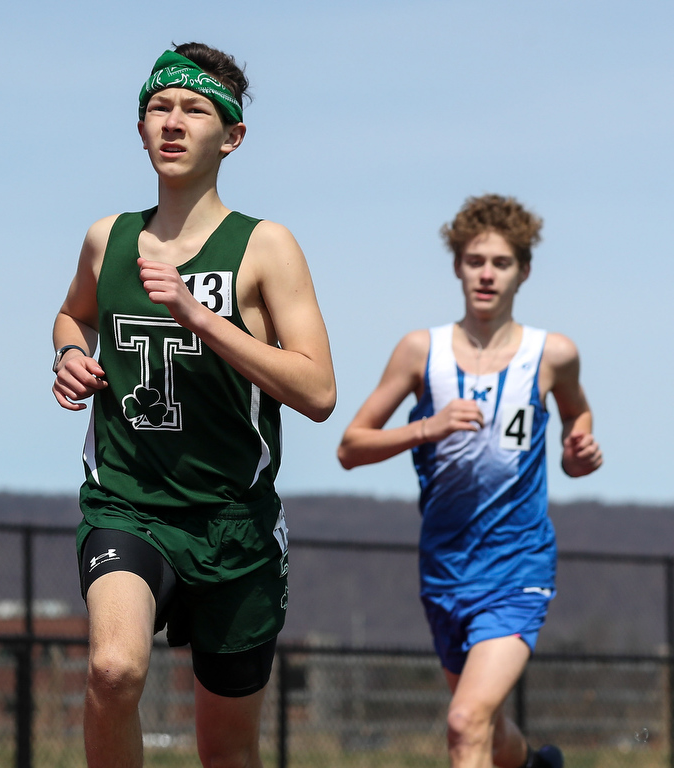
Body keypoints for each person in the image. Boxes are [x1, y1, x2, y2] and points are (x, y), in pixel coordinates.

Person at [51, 42, 335, 768]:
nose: (172, 123)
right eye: (158, 108)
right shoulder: (107, 239)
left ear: (231, 135)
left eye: (194, 110)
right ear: (141, 128)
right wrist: (70, 356)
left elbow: (317, 392)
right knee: (114, 670)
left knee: (227, 753)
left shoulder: (265, 247)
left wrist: (203, 318)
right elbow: (73, 315)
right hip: (128, 502)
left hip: (233, 522)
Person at [336, 194, 602, 768]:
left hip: (518, 566)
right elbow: (350, 448)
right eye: (475, 259)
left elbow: (578, 419)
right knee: (480, 721)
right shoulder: (419, 351)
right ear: (457, 265)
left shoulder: (552, 355)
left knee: (463, 722)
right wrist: (427, 427)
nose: (486, 273)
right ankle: (534, 763)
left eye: (501, 263)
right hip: (446, 568)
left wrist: (577, 450)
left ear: (523, 271)